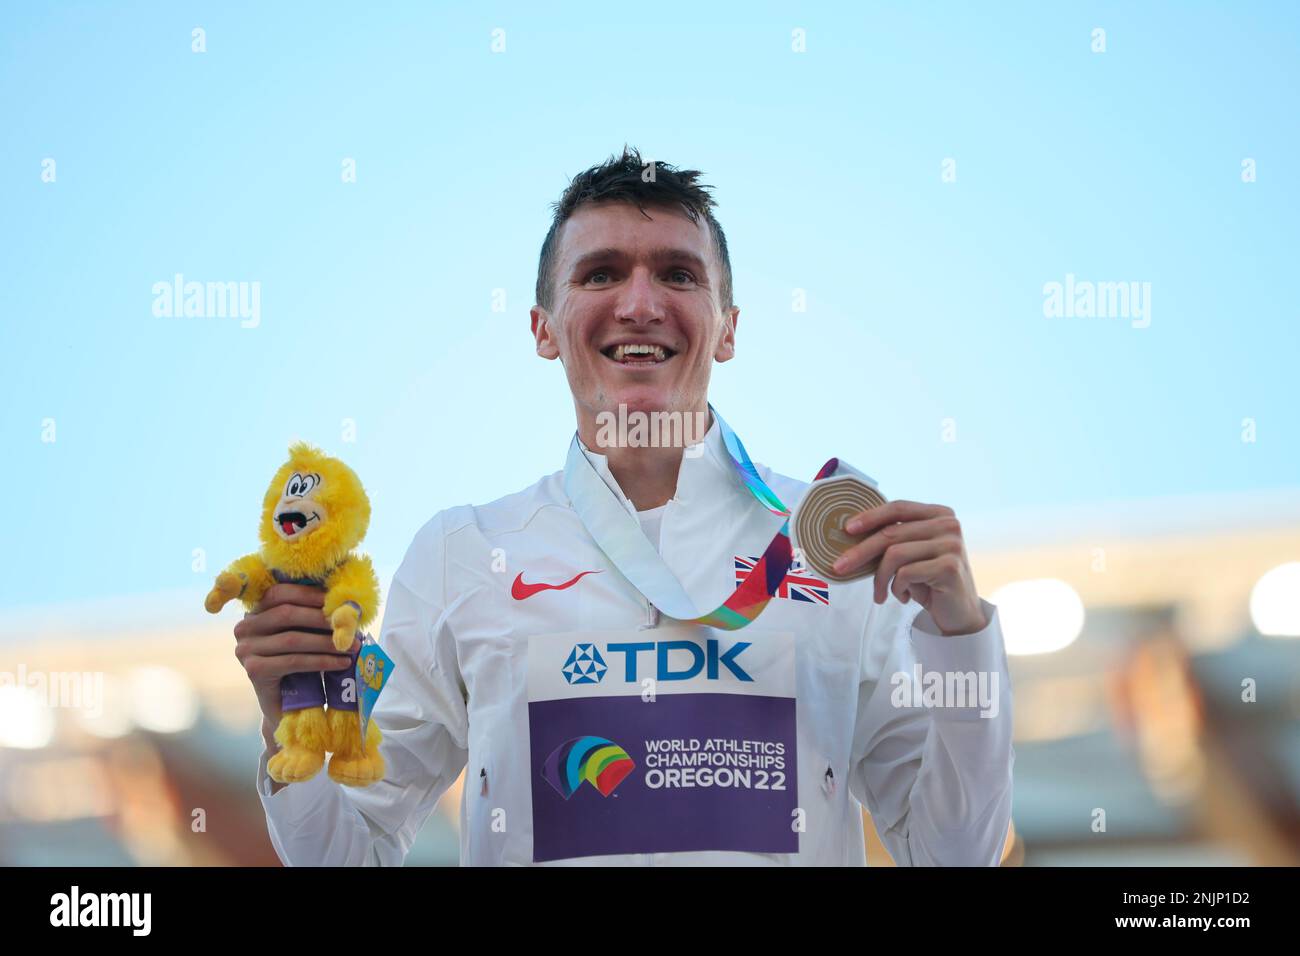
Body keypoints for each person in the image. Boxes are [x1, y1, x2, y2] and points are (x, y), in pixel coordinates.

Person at [236, 146, 1015, 866]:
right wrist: (287, 727)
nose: (640, 304)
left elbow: (951, 852)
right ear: (544, 329)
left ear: (729, 329)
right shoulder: (464, 552)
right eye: (601, 274)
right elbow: (349, 853)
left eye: (678, 275)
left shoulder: (839, 545)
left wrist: (962, 634)